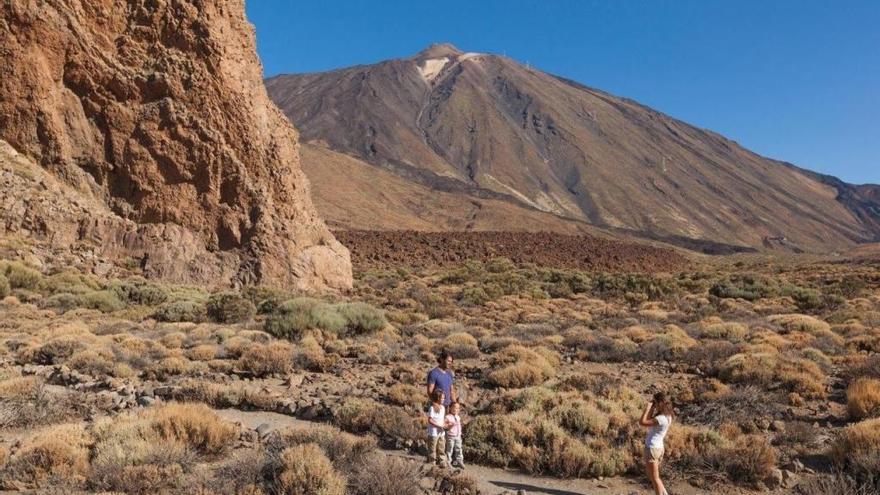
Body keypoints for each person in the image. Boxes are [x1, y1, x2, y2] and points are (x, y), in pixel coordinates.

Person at [639, 391, 674, 495]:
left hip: (652, 448)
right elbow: (649, 420)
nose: (654, 404)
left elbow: (642, 422)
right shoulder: (668, 416)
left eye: (655, 402)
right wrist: (653, 408)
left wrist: (647, 409)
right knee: (655, 477)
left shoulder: (661, 418)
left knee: (655, 479)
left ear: (661, 403)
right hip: (658, 448)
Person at [426, 389, 447, 467]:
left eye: (444, 398)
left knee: (441, 447)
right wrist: (439, 426)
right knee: (432, 447)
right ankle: (432, 461)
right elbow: (430, 420)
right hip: (433, 432)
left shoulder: (443, 408)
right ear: (437, 398)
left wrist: (444, 424)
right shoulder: (432, 408)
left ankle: (442, 460)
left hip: (441, 432)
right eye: (442, 398)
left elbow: (442, 419)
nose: (443, 400)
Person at [444, 401, 465, 468]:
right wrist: (449, 425)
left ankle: (459, 460)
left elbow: (459, 425)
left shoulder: (458, 417)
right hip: (450, 435)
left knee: (459, 448)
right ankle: (448, 461)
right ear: (450, 408)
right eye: (454, 408)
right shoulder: (447, 417)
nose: (456, 409)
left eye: (458, 408)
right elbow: (445, 426)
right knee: (449, 449)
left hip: (458, 435)